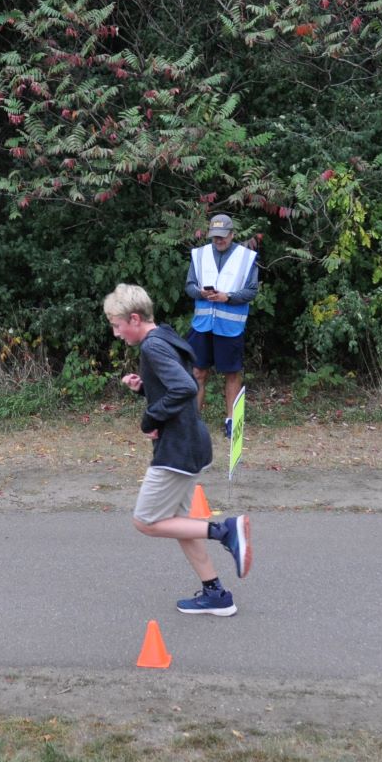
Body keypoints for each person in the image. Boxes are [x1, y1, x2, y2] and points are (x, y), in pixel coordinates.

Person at [105, 283, 252, 616]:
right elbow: (175, 383)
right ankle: (216, 594)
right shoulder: (164, 336)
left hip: (177, 449)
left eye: (116, 325)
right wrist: (145, 388)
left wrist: (149, 418)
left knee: (146, 521)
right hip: (190, 442)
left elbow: (185, 387)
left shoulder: (151, 348)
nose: (116, 333)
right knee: (179, 522)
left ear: (134, 318)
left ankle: (224, 531)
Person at [184, 212, 259, 438]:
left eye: (223, 237)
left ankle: (232, 423)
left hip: (230, 327)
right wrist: (200, 293)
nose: (218, 241)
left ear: (232, 234)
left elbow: (252, 291)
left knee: (232, 375)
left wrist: (229, 297)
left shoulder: (246, 257)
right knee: (197, 372)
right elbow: (189, 286)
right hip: (203, 324)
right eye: (215, 237)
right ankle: (192, 423)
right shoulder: (199, 255)